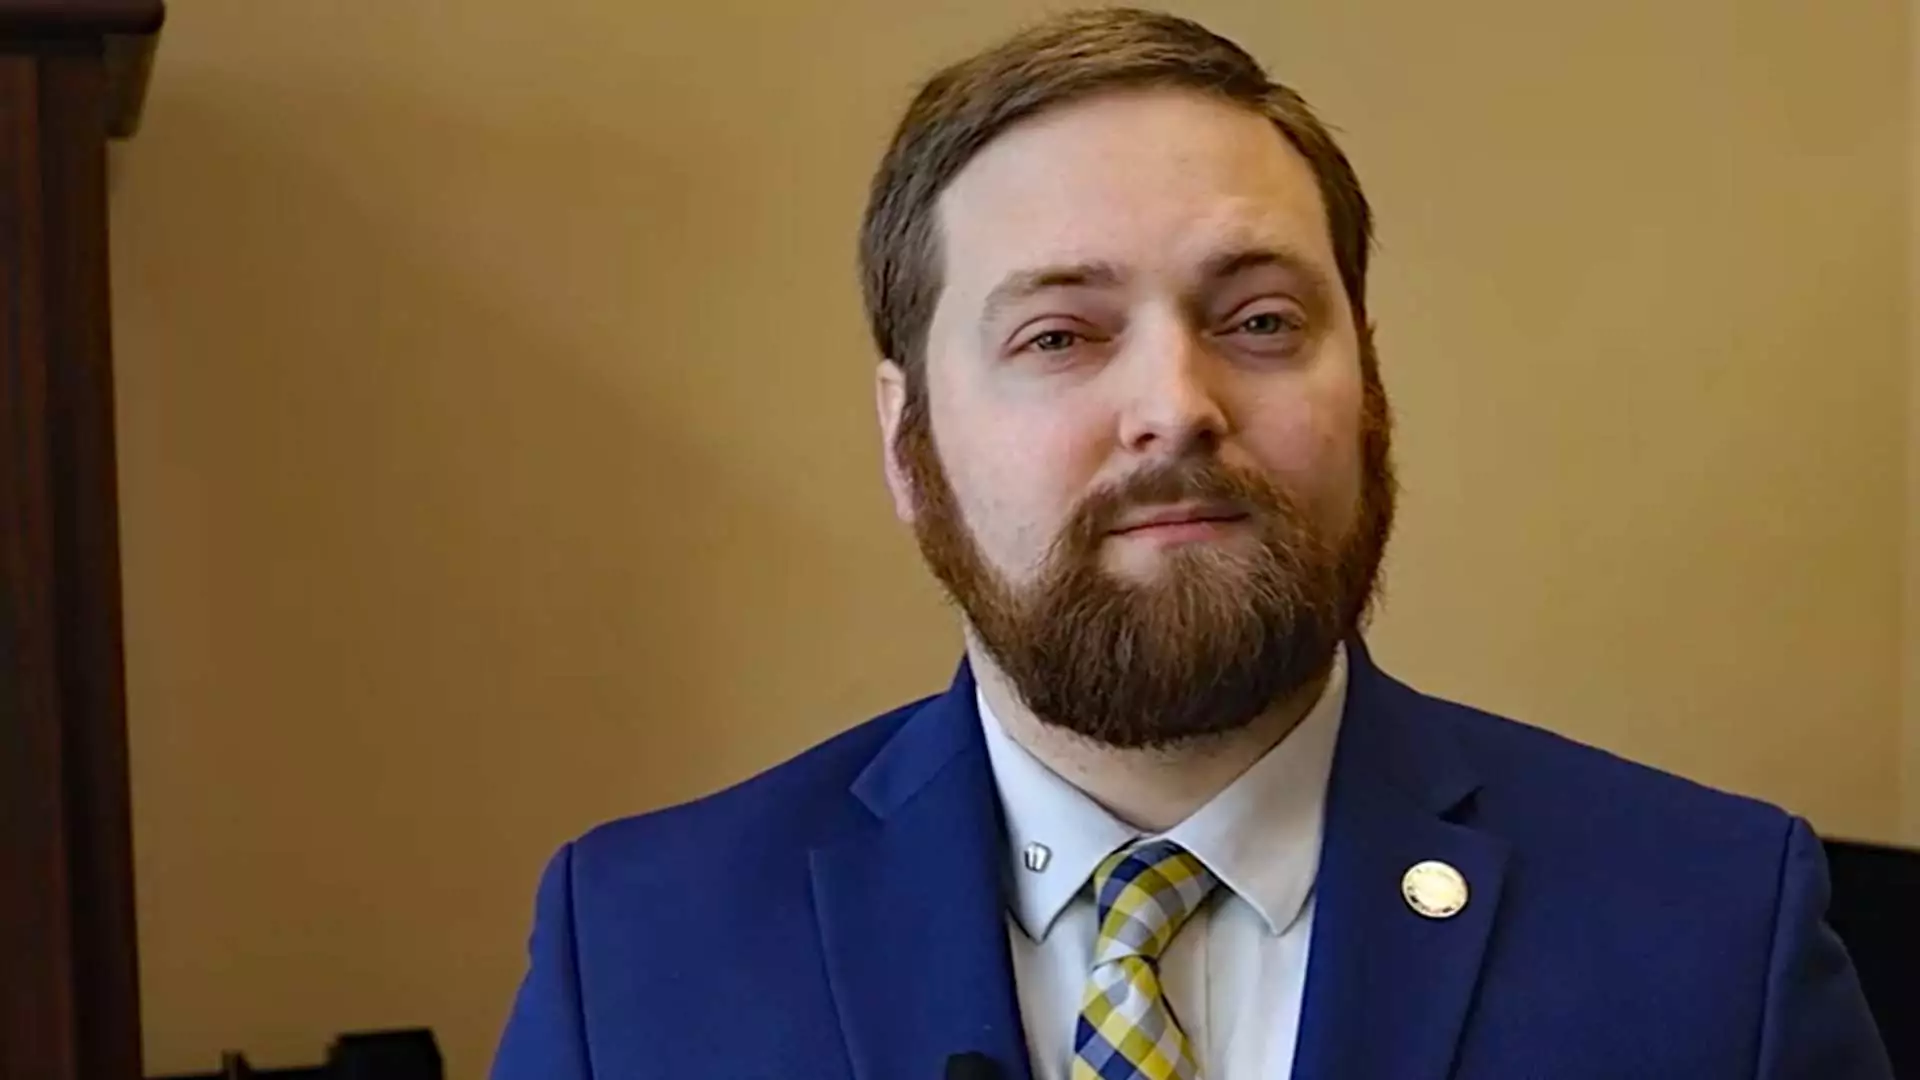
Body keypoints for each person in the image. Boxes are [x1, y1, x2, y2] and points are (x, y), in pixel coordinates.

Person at [491, 8, 1892, 1079]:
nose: (1176, 405)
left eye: (1260, 320)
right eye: (1059, 337)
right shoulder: (639, 955)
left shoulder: (1715, 932)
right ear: (907, 440)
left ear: (1370, 390)